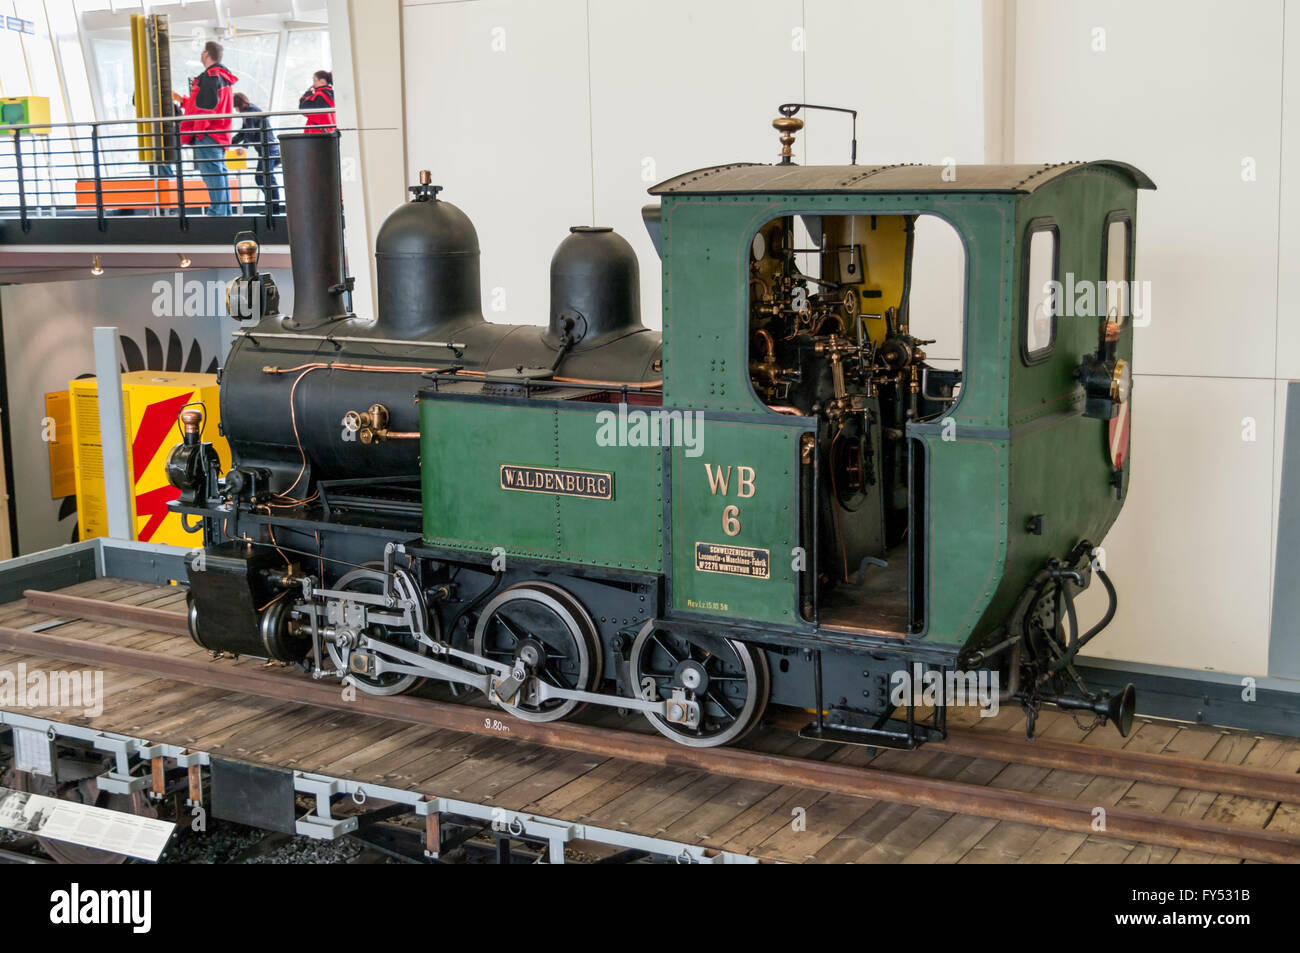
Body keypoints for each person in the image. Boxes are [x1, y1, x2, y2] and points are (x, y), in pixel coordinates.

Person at [174, 40, 238, 215]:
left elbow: (205, 108)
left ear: (207, 54)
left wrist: (197, 131)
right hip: (220, 132)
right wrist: (183, 101)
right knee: (219, 172)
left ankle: (217, 213)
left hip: (208, 134)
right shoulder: (223, 77)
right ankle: (223, 212)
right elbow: (207, 104)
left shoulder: (209, 78)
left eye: (203, 51)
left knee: (212, 174)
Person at [231, 92, 281, 215]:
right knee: (265, 177)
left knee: (263, 177)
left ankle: (274, 208)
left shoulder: (250, 112)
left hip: (268, 149)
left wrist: (244, 146)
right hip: (268, 149)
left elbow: (250, 131)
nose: (235, 109)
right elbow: (245, 131)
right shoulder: (250, 111)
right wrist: (230, 142)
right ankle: (273, 207)